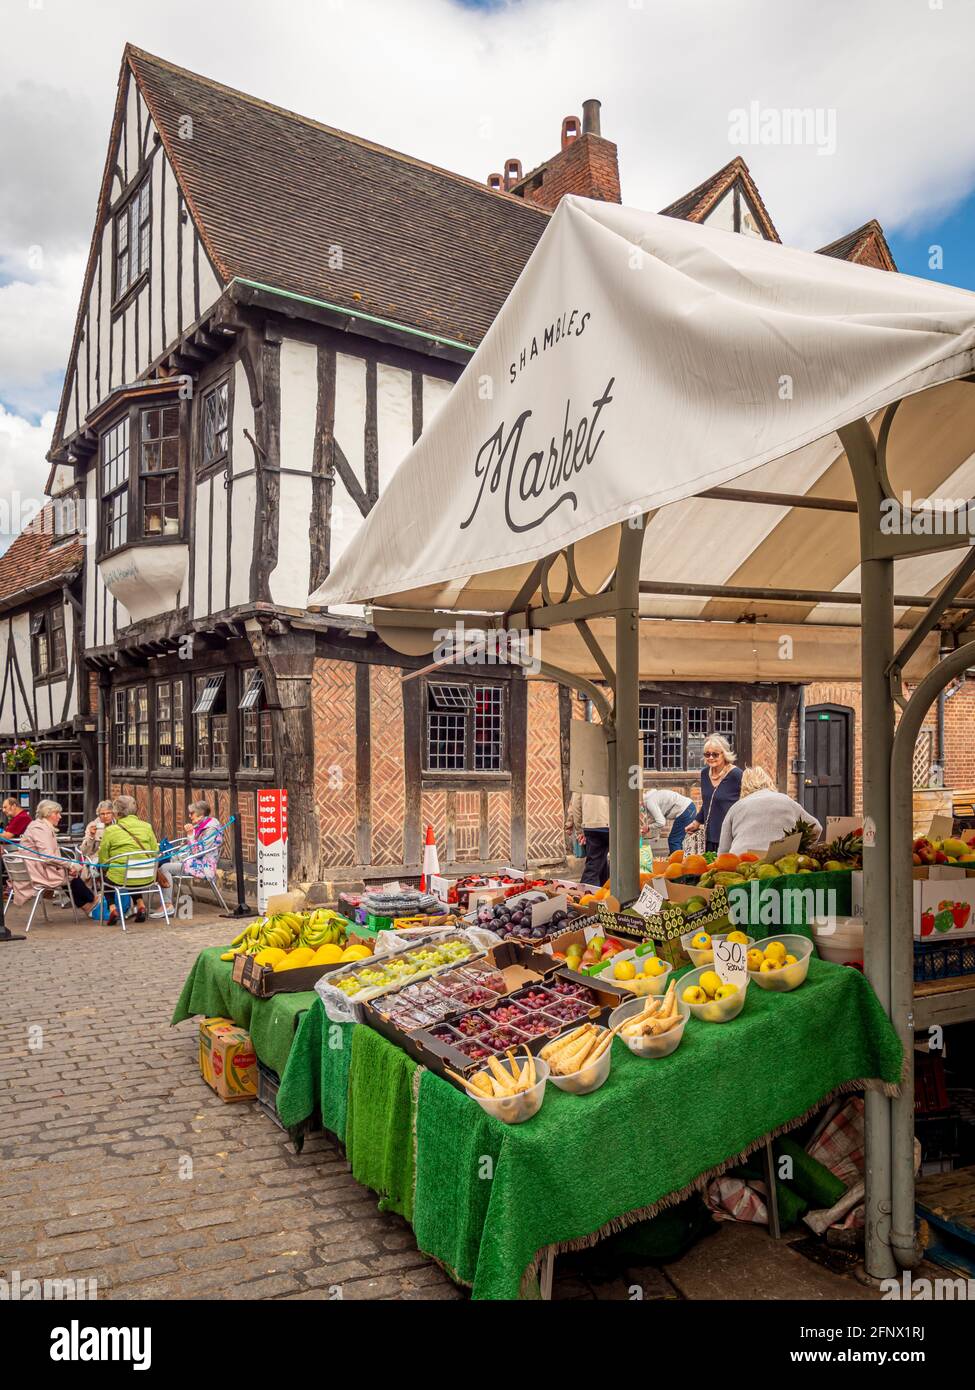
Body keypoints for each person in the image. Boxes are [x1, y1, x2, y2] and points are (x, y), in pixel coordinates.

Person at [9, 800, 97, 913]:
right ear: (47, 813)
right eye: (57, 813)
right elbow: (48, 857)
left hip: (35, 869)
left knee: (68, 874)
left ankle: (88, 905)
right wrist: (70, 864)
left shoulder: (39, 825)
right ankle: (92, 900)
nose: (60, 816)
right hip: (35, 873)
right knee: (68, 875)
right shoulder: (40, 829)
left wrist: (68, 866)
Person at [718, 766, 822, 856]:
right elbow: (816, 828)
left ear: (744, 787)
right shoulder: (786, 800)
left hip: (743, 866)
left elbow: (723, 851)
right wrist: (802, 851)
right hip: (779, 863)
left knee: (755, 880)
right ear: (769, 782)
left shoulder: (736, 807)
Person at [97, 795, 160, 924]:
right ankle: (141, 906)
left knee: (105, 874)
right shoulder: (147, 826)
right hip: (147, 876)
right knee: (131, 872)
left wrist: (105, 868)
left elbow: (103, 858)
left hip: (121, 877)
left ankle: (113, 908)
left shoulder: (110, 830)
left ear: (117, 812)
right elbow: (155, 852)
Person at [155, 801, 220, 918]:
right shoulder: (200, 826)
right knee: (159, 862)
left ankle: (167, 905)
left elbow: (198, 853)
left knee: (165, 868)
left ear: (201, 815)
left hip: (202, 865)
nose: (189, 816)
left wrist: (190, 834)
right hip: (189, 860)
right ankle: (163, 901)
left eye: (192, 813)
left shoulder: (211, 829)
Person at [686, 735, 744, 853]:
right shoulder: (704, 773)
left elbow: (747, 802)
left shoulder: (736, 775)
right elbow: (708, 803)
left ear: (724, 754)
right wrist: (696, 822)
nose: (711, 757)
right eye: (707, 754)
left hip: (730, 835)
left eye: (715, 754)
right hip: (710, 836)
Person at [568, 791, 611, 888]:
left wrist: (579, 829)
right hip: (612, 822)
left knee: (596, 863)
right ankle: (586, 895)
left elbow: (575, 802)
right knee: (601, 864)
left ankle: (598, 894)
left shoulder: (583, 776)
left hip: (590, 824)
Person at [643, 787, 696, 855]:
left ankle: (677, 863)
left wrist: (648, 827)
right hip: (689, 807)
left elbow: (661, 822)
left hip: (685, 810)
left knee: (674, 841)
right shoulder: (652, 797)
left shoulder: (650, 802)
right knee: (676, 840)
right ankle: (676, 860)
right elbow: (657, 817)